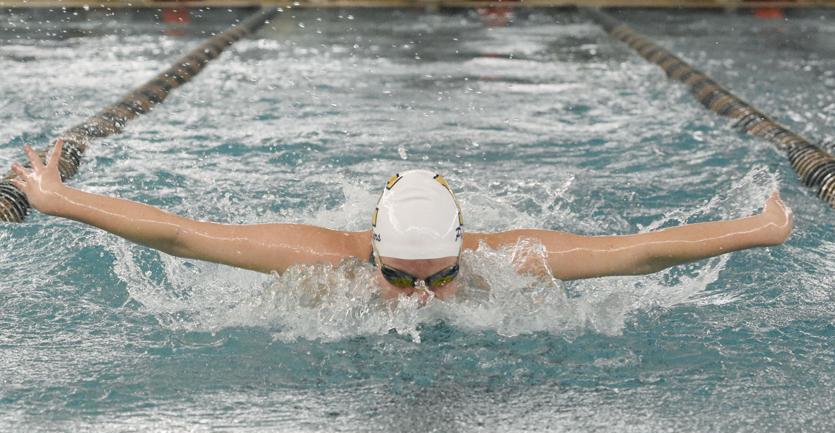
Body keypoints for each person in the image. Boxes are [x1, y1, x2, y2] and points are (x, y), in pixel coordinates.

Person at [10, 139, 794, 301]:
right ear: (372, 250)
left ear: (463, 248)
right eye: (398, 277)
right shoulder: (320, 257)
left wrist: (759, 229)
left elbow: (633, 254)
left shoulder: (506, 257)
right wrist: (57, 198)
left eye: (441, 276)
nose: (420, 297)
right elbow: (178, 233)